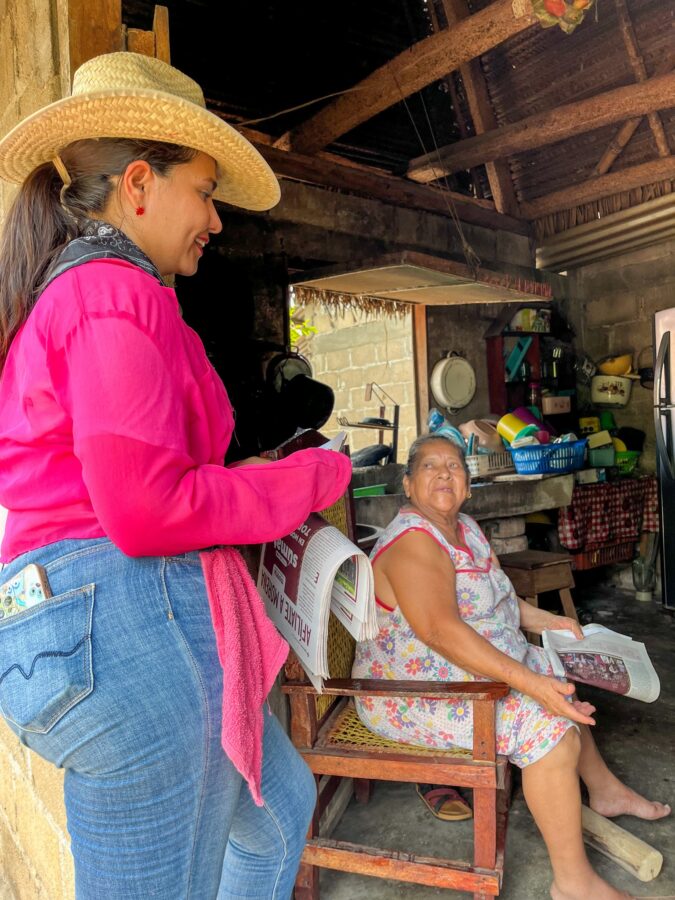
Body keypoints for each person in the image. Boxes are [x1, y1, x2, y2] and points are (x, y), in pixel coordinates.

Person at [0, 52, 352, 899]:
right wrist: (311, 477)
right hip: (123, 620)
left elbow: (150, 476)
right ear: (139, 184)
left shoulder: (105, 295)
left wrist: (249, 471)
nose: (215, 220)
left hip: (96, 615)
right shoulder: (111, 295)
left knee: (279, 809)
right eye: (204, 191)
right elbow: (148, 510)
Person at [352, 433, 669, 900]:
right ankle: (573, 883)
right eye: (430, 466)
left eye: (454, 466)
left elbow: (497, 599)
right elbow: (442, 631)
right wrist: (531, 684)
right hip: (412, 689)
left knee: (553, 675)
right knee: (546, 723)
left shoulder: (466, 528)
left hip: (460, 670)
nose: (444, 474)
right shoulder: (413, 542)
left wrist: (552, 622)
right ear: (408, 483)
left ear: (468, 482)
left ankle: (604, 790)